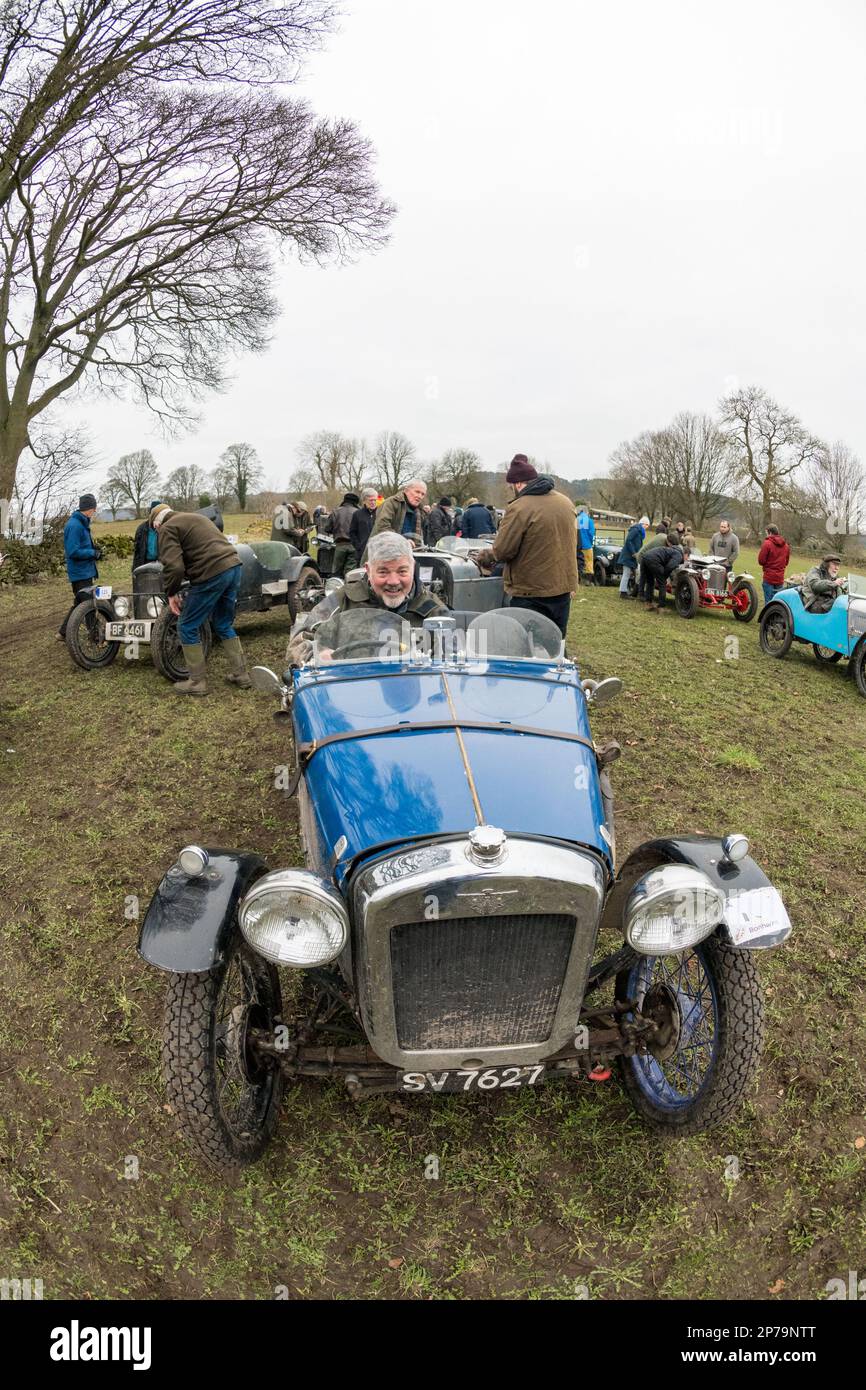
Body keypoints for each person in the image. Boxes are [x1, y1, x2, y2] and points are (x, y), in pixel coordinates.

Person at [288, 532, 447, 663]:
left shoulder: (433, 610)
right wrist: (316, 655)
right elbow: (299, 641)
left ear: (413, 568)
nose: (393, 581)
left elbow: (453, 657)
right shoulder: (343, 600)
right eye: (383, 572)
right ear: (368, 570)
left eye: (402, 571)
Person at [149, 504, 249, 695]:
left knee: (187, 625)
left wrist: (171, 593)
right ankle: (241, 674)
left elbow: (175, 567)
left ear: (156, 523)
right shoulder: (196, 518)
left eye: (155, 529)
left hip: (212, 572)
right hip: (234, 566)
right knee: (223, 624)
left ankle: (197, 682)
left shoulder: (167, 528)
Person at [476, 455, 578, 637]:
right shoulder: (566, 502)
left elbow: (503, 550)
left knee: (525, 646)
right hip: (562, 587)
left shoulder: (520, 507)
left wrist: (486, 556)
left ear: (519, 484)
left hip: (530, 591)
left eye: (512, 486)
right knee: (555, 641)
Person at [58, 493, 102, 638]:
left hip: (84, 571)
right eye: (94, 509)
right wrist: (92, 553)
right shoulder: (75, 525)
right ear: (89, 509)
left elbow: (80, 545)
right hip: (80, 573)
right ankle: (94, 635)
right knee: (88, 604)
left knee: (79, 603)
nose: (95, 512)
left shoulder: (81, 523)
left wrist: (94, 549)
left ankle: (63, 632)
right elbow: (73, 551)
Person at [370, 478, 427, 550]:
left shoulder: (420, 511)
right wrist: (402, 541)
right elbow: (382, 527)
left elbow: (419, 536)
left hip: (410, 554)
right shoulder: (391, 503)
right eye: (417, 492)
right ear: (406, 490)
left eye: (422, 494)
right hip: (384, 552)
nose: (420, 496)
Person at [641, 533, 684, 611]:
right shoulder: (679, 554)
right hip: (654, 560)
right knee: (662, 583)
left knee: (650, 581)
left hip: (646, 557)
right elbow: (670, 566)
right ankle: (661, 606)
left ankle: (648, 602)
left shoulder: (670, 550)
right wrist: (664, 576)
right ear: (686, 554)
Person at [322, 492, 360, 578]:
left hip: (340, 545)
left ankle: (336, 588)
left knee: (336, 572)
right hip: (354, 545)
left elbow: (327, 528)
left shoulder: (335, 511)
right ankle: (349, 588)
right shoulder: (358, 512)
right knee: (351, 572)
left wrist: (336, 530)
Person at [635, 523, 669, 603]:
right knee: (645, 576)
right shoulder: (662, 539)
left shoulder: (661, 537)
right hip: (644, 556)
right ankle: (642, 595)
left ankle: (645, 595)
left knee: (646, 577)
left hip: (644, 555)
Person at [618, 515, 650, 599]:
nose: (647, 528)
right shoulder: (636, 530)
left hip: (632, 556)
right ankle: (623, 592)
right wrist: (633, 553)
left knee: (629, 573)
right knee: (626, 573)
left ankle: (627, 591)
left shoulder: (638, 530)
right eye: (647, 525)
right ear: (644, 524)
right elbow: (628, 541)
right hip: (628, 555)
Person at [757, 525, 790, 605]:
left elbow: (761, 560)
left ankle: (768, 617)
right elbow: (786, 562)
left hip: (769, 577)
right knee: (777, 602)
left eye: (766, 533)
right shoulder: (786, 546)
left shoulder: (767, 544)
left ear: (770, 532)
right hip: (780, 578)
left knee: (768, 601)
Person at [132, 499, 164, 572]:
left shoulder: (166, 527)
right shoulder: (142, 528)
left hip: (161, 563)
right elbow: (137, 550)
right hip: (145, 562)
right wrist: (135, 568)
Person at [349, 488, 379, 565]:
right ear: (364, 501)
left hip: (378, 552)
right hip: (362, 553)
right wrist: (359, 547)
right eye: (371, 500)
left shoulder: (381, 513)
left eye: (375, 500)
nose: (373, 502)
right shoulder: (357, 514)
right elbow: (352, 533)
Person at [576, 503, 596, 585]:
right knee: (589, 563)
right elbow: (591, 533)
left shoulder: (576, 520)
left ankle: (578, 580)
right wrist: (590, 542)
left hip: (577, 546)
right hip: (587, 545)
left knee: (577, 562)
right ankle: (588, 581)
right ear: (586, 512)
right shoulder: (589, 520)